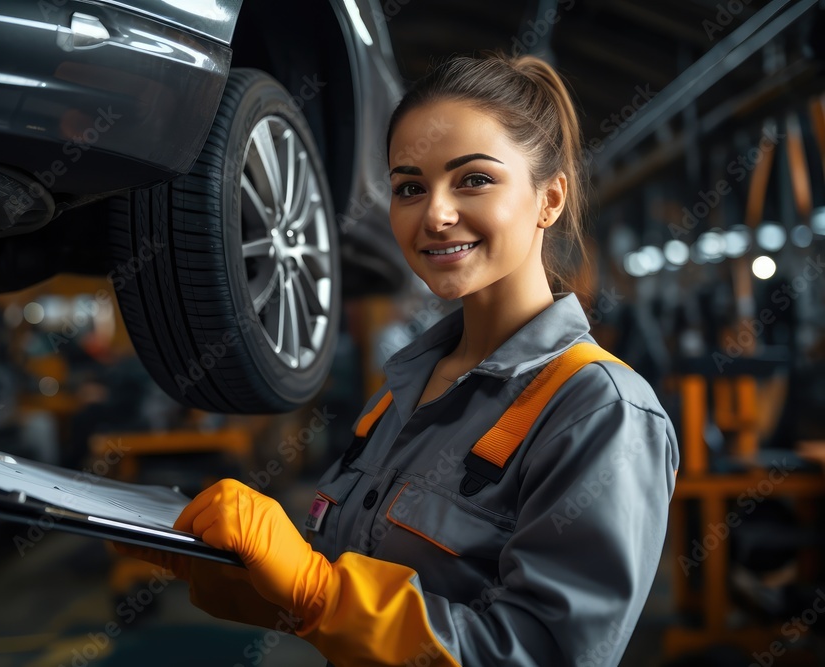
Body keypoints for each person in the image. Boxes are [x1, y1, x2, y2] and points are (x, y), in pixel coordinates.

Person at [117, 52, 679, 667]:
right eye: (410, 187)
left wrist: (321, 593)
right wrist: (246, 573)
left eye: (473, 180)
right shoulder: (401, 393)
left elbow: (543, 655)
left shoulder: (600, 412)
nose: (435, 214)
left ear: (549, 200)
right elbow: (341, 576)